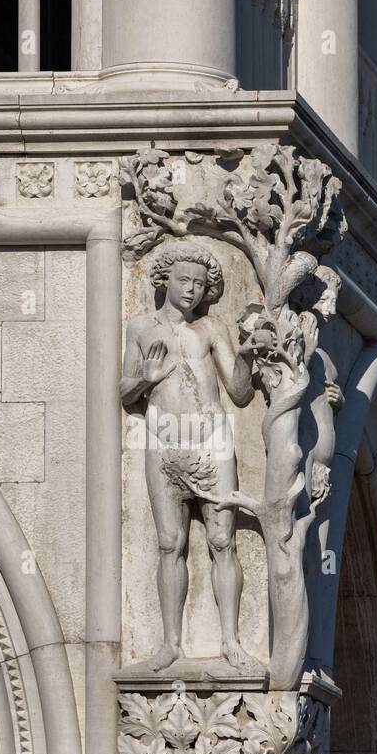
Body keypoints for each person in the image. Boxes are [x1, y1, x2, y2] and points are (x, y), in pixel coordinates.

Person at [121, 243, 258, 672]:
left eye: (199, 284)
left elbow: (239, 392)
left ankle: (232, 641)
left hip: (212, 441)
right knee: (169, 544)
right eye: (184, 281)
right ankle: (171, 643)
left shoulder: (211, 329)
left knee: (222, 541)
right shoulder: (140, 328)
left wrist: (250, 355)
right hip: (163, 443)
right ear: (165, 280)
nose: (192, 291)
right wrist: (145, 379)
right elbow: (124, 394)